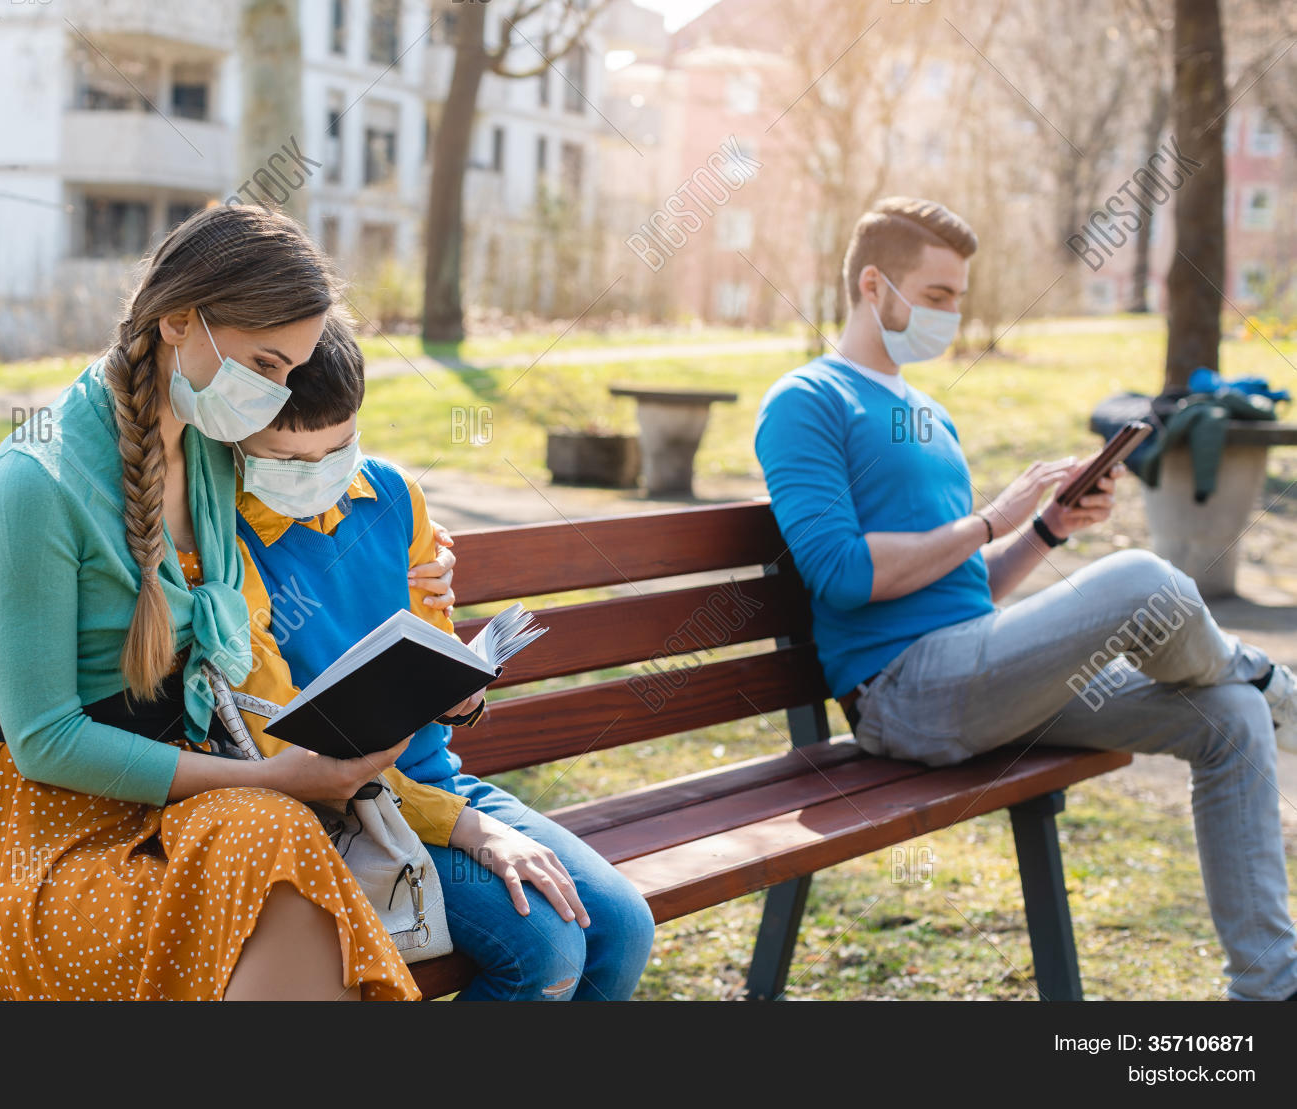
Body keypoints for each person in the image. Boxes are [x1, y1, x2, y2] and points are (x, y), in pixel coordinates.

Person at [754, 196, 1297, 1002]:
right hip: (904, 696)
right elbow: (841, 572)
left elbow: (965, 585)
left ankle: (1270, 991)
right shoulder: (808, 400)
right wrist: (988, 519)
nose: (951, 314)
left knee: (1230, 719)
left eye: (958, 298)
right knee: (1143, 578)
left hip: (979, 672)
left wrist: (1043, 529)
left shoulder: (929, 413)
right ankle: (1264, 672)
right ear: (874, 285)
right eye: (936, 296)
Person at [0, 205, 458, 1001]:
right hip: (47, 832)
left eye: (292, 371)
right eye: (267, 363)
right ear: (179, 321)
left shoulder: (210, 442)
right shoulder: (33, 483)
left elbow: (324, 491)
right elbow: (45, 741)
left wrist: (427, 555)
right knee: (277, 833)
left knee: (279, 846)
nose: (278, 396)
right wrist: (279, 780)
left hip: (183, 798)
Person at [231, 315, 656, 1001]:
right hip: (346, 813)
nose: (319, 480)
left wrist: (460, 690)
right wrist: (471, 830)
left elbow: (430, 640)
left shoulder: (393, 494)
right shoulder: (227, 537)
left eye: (338, 451)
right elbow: (284, 744)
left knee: (624, 928)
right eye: (287, 462)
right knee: (546, 952)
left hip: (437, 782)